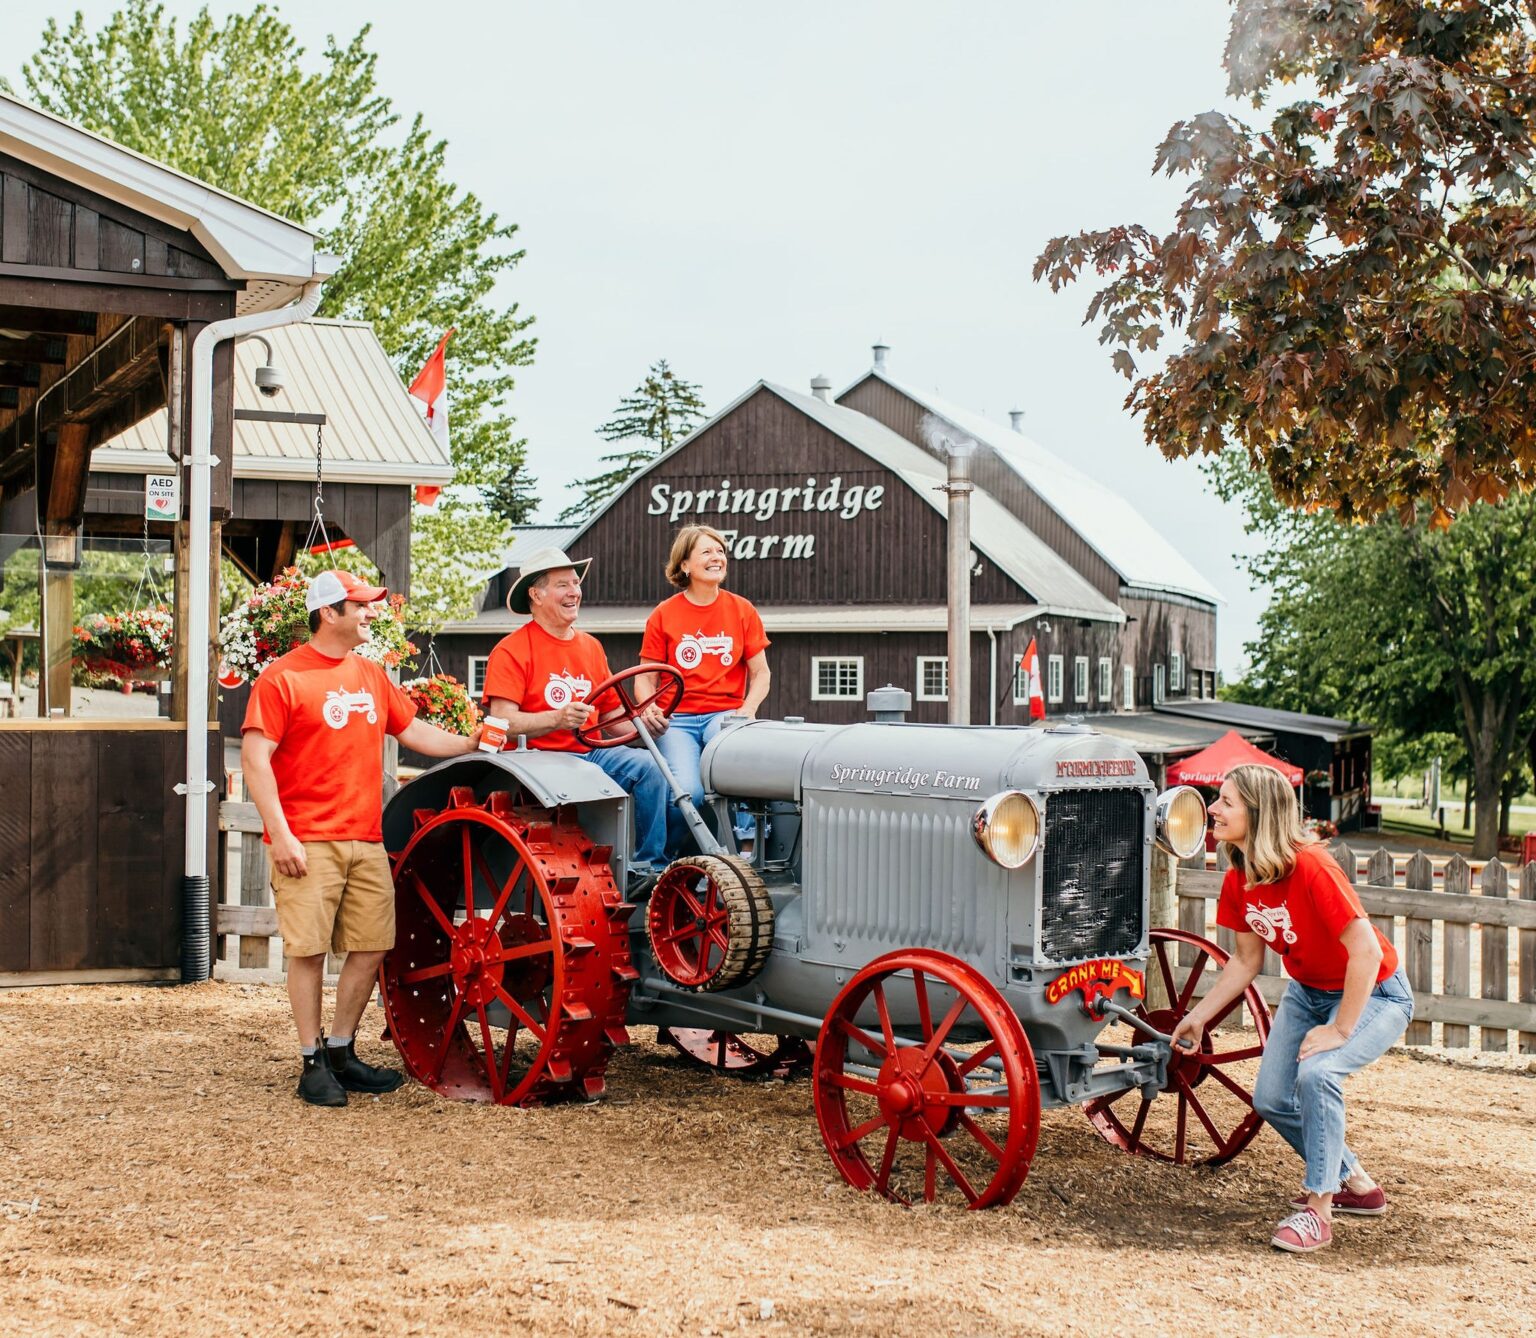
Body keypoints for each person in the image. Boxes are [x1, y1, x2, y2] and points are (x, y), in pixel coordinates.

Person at [242, 568, 482, 1108]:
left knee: (372, 946)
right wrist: (280, 835)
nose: (373, 613)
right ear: (330, 612)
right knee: (307, 953)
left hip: (365, 837)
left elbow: (414, 731)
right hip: (306, 838)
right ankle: (311, 1062)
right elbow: (256, 761)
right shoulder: (281, 678)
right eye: (362, 606)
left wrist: (470, 742)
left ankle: (342, 1050)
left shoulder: (371, 674)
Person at [1170, 763, 1413, 1254]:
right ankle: (1355, 1184)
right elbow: (1245, 960)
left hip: (1375, 991)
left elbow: (1365, 953)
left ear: (1259, 815)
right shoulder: (1239, 878)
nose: (1213, 809)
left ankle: (1318, 1214)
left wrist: (1341, 1030)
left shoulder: (1313, 867)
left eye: (1227, 802)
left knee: (1318, 1074)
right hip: (1307, 992)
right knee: (1272, 1099)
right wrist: (1198, 1015)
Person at [481, 547, 671, 889]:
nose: (575, 592)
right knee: (589, 777)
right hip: (540, 761)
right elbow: (503, 720)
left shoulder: (590, 647)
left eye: (575, 583)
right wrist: (556, 719)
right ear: (536, 595)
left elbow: (612, 715)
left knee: (651, 768)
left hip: (590, 752)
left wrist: (647, 726)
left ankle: (648, 869)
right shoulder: (511, 650)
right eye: (562, 585)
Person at [638, 525, 770, 854]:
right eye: (706, 552)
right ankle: (671, 862)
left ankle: (742, 855)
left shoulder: (742, 610)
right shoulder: (664, 614)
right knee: (688, 793)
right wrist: (649, 707)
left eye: (720, 551)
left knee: (735, 776)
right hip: (677, 720)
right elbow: (645, 678)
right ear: (685, 565)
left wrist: (746, 712)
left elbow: (761, 673)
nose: (717, 558)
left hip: (725, 715)